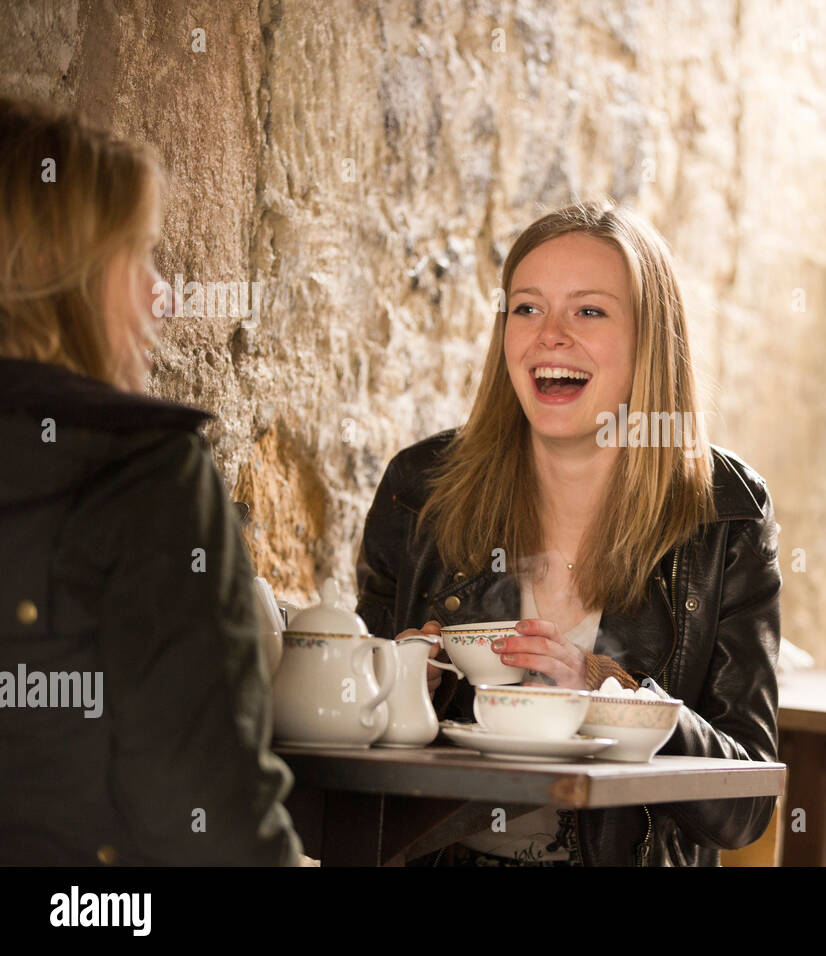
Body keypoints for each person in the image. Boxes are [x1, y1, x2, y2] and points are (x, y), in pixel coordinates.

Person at [356, 199, 781, 866]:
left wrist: (611, 696)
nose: (550, 334)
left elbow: (745, 804)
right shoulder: (420, 490)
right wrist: (395, 686)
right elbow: (347, 757)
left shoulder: (723, 513)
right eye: (526, 308)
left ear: (650, 338)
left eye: (589, 310)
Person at [0, 97, 301, 865]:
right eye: (139, 257)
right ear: (56, 275)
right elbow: (208, 820)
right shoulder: (145, 473)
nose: (159, 296)